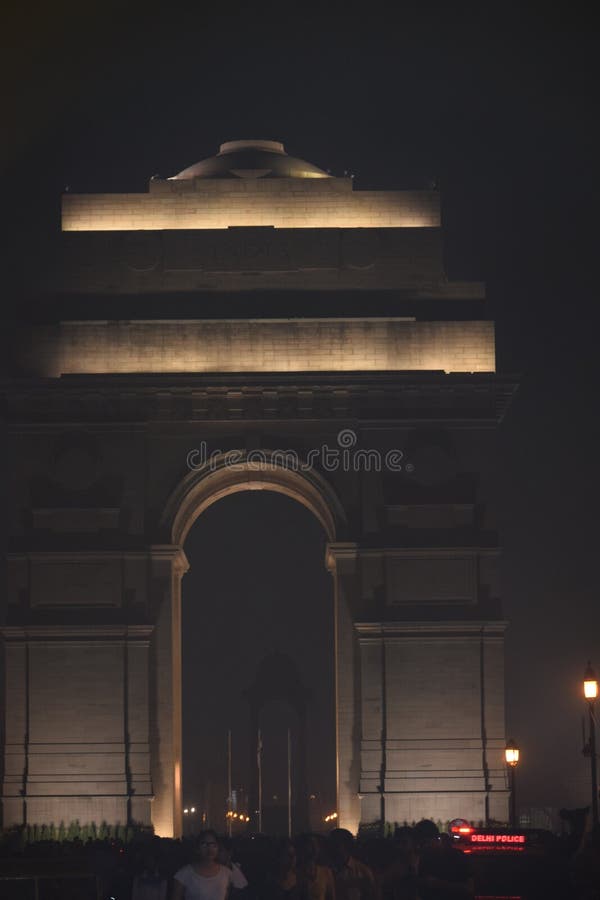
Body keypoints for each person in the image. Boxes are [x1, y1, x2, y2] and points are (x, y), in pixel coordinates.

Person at [172, 830, 248, 900]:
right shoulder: (184, 874)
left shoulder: (226, 873)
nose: (209, 848)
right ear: (197, 848)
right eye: (204, 844)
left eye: (213, 844)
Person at [412, 820, 473, 900]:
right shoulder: (421, 860)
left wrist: (438, 884)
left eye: (425, 843)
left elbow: (469, 888)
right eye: (419, 845)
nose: (423, 847)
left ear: (437, 839)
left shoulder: (457, 857)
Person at [328, 828, 376, 900]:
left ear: (346, 845)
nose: (332, 848)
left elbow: (371, 895)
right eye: (330, 844)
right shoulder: (324, 870)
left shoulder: (362, 871)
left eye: (336, 844)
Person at [296, 833, 336, 900]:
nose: (315, 848)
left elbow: (331, 897)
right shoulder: (296, 873)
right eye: (311, 844)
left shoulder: (326, 872)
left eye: (316, 845)